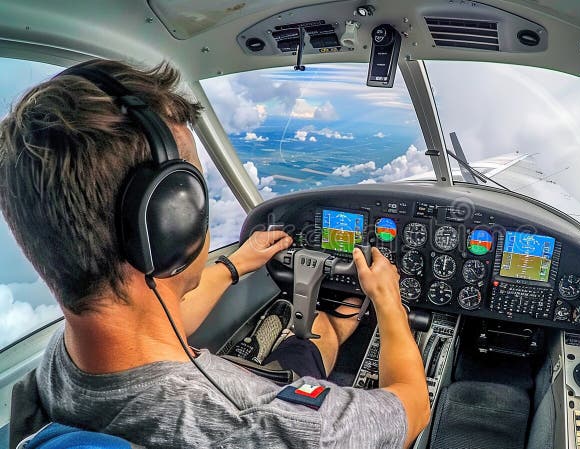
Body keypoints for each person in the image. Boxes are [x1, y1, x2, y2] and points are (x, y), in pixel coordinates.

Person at [0, 59, 429, 448]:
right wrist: (387, 299)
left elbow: (145, 320)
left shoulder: (58, 361)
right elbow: (412, 407)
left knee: (316, 325)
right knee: (324, 328)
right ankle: (343, 318)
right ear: (170, 223)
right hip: (246, 390)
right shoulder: (287, 428)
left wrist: (233, 264)